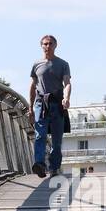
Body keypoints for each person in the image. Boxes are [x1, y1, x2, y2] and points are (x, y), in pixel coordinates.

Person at [28, 34, 71, 178]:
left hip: (57, 103)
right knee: (40, 135)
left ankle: (54, 167)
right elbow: (33, 86)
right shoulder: (36, 64)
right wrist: (30, 108)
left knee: (56, 139)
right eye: (45, 44)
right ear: (41, 46)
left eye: (50, 44)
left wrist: (66, 98)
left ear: (55, 45)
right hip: (41, 104)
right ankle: (39, 164)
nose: (48, 46)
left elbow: (67, 83)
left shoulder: (63, 64)